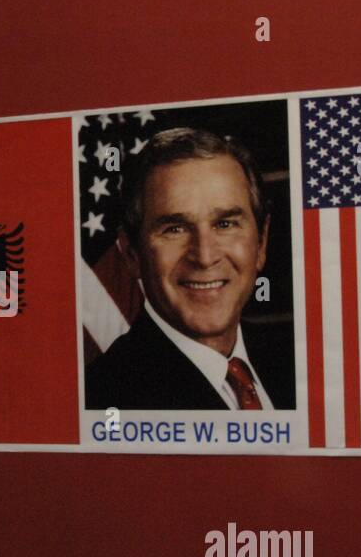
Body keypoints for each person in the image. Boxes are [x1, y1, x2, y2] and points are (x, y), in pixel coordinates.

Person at [85, 126, 293, 411]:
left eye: (225, 224)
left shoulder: (295, 361)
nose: (205, 256)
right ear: (131, 254)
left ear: (261, 242)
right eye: (175, 228)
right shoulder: (102, 397)